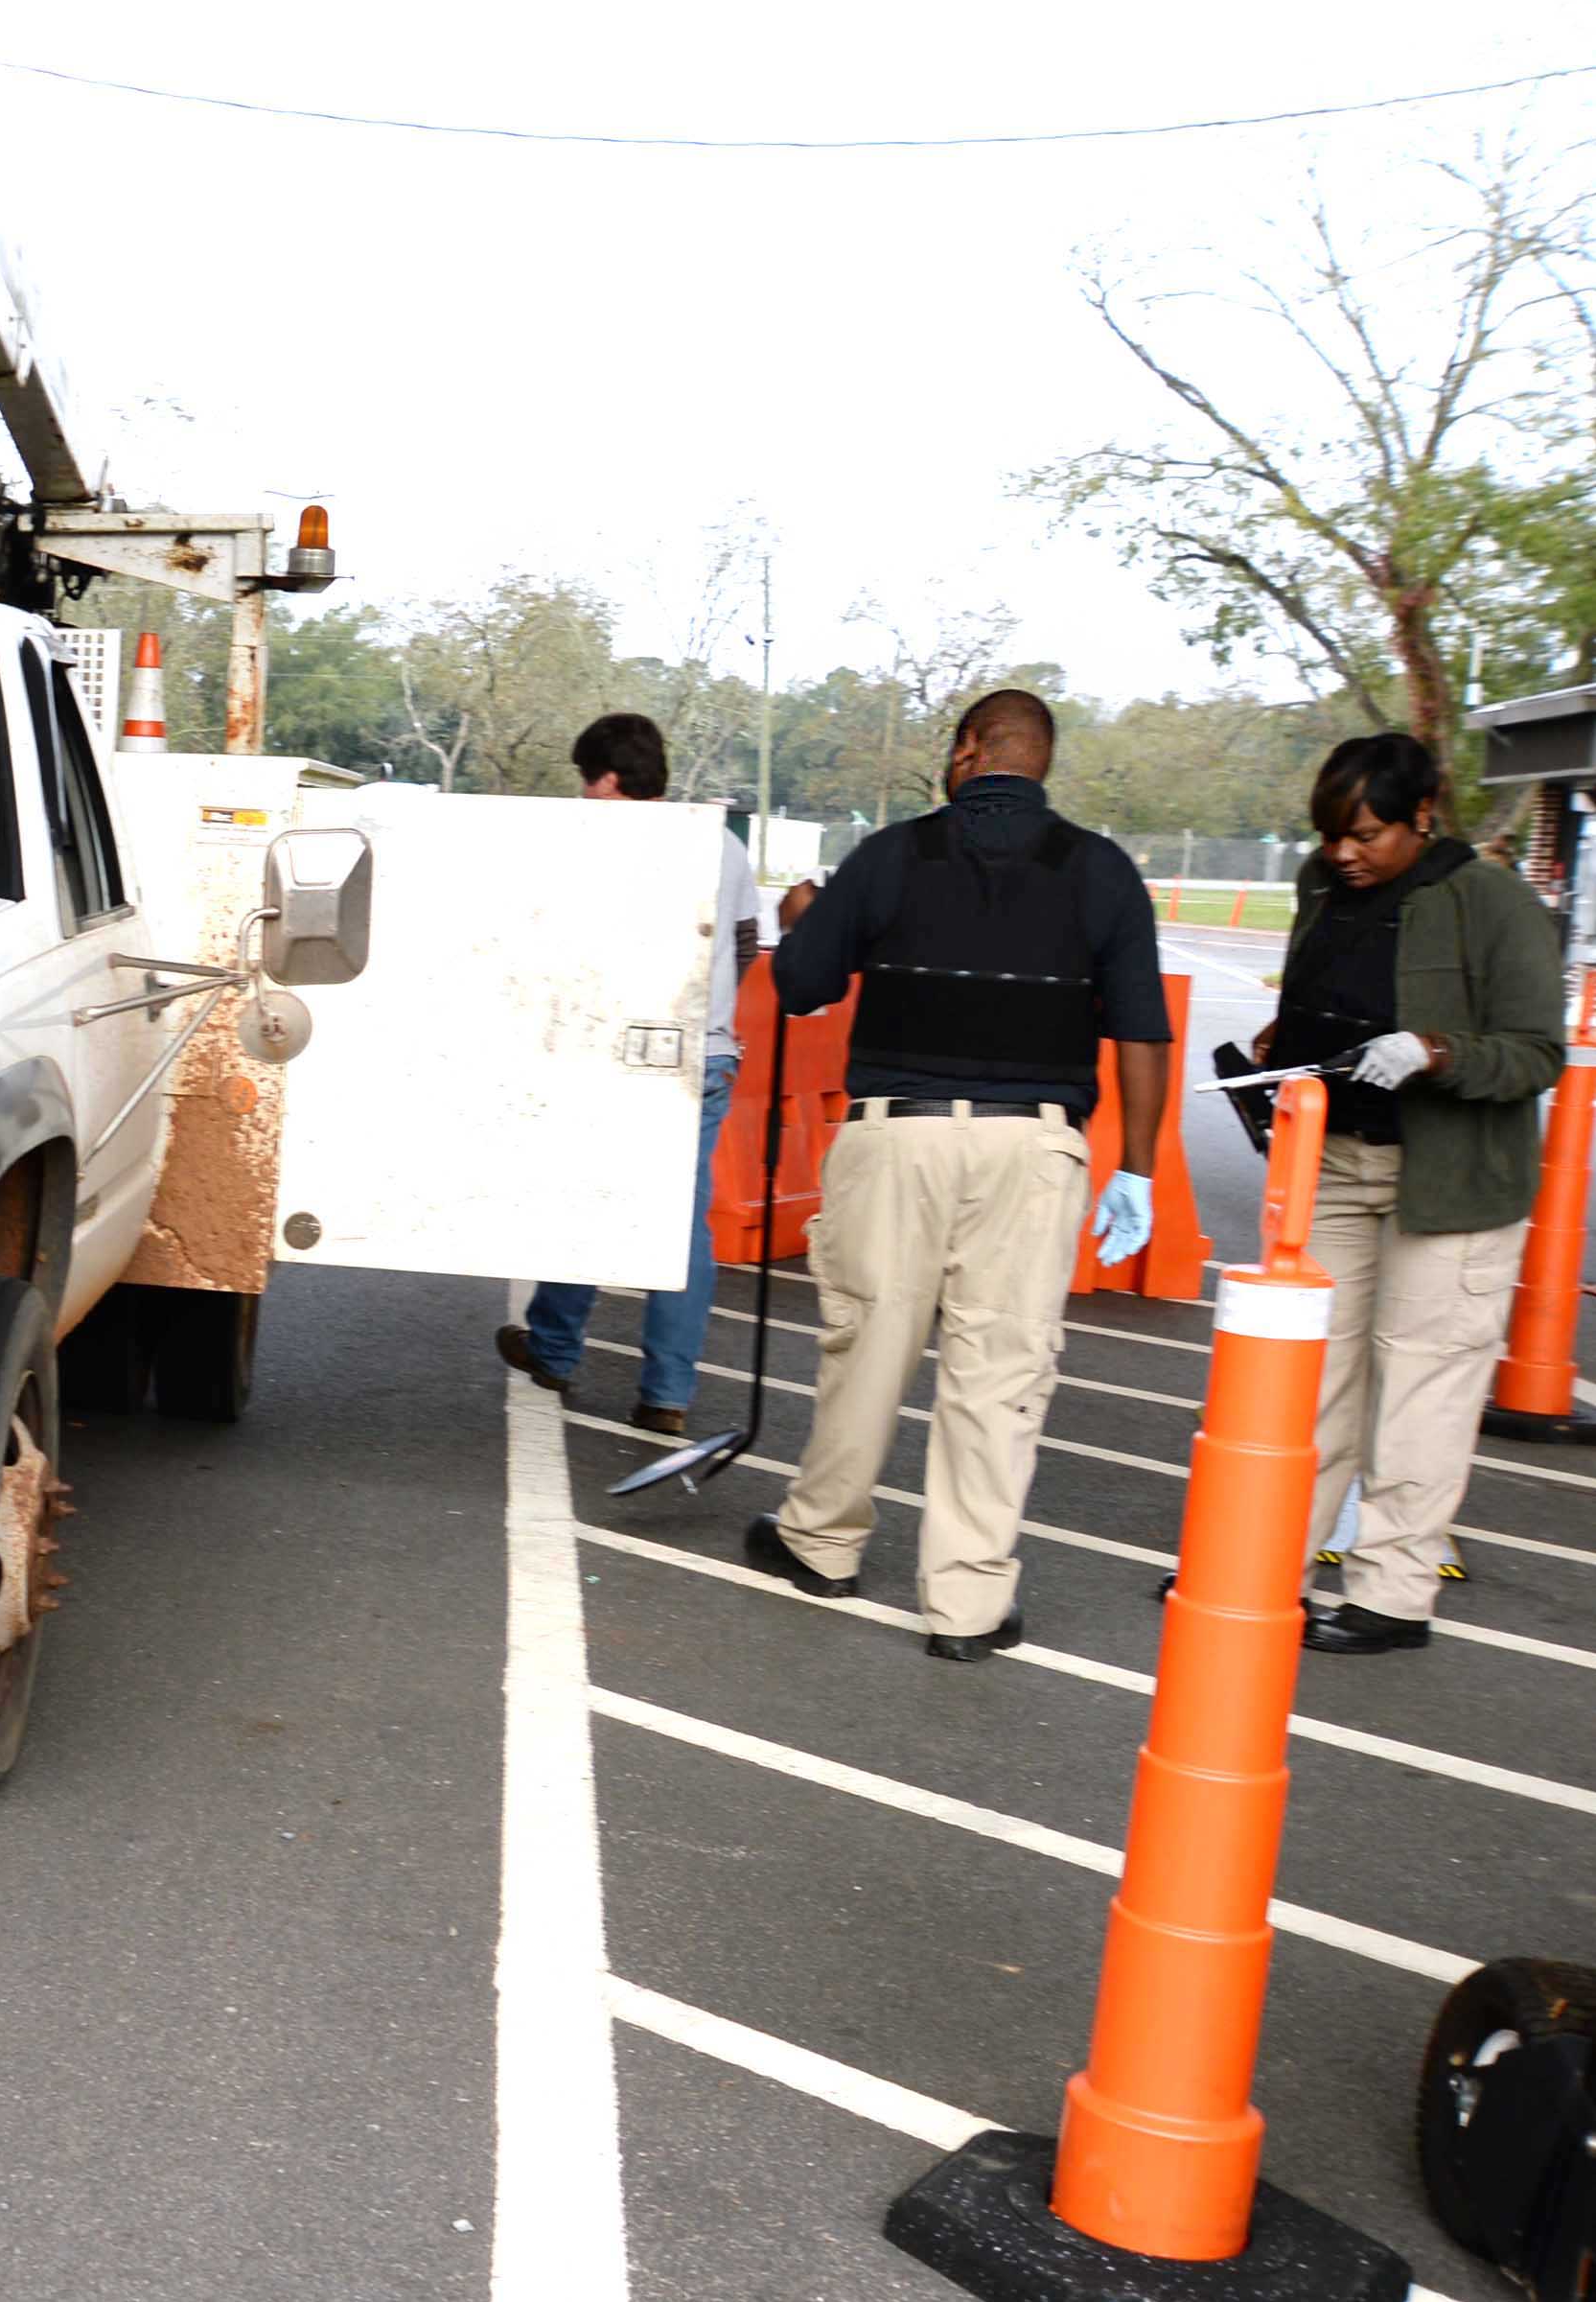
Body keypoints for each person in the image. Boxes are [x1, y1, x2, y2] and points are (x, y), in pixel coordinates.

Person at [742, 689, 1171, 1660]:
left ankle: (821, 1545)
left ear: (968, 751)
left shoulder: (894, 853)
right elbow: (1143, 1034)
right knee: (1000, 1372)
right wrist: (1135, 1168)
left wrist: (805, 916)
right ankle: (967, 1604)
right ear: (1041, 763)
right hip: (1033, 1148)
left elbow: (802, 984)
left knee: (869, 1345)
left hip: (897, 1135)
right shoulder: (1100, 871)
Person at [1257, 732, 1560, 1657]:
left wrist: (1436, 1051)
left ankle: (1392, 1592)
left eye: (1368, 834)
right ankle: (1270, 1571)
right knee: (1312, 1382)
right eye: (1333, 836)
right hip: (1335, 1162)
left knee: (1422, 1385)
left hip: (1448, 1180)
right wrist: (1288, 1038)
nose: (1345, 854)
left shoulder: (1490, 899)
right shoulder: (1320, 883)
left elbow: (1536, 1051)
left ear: (1423, 816)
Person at [495, 711, 762, 1433]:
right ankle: (667, 1396)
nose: (585, 795)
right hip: (701, 1056)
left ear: (609, 778)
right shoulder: (723, 846)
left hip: (610, 1053)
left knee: (584, 1197)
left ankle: (553, 1348)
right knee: (683, 1229)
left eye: (588, 780)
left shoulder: (595, 843)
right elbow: (744, 947)